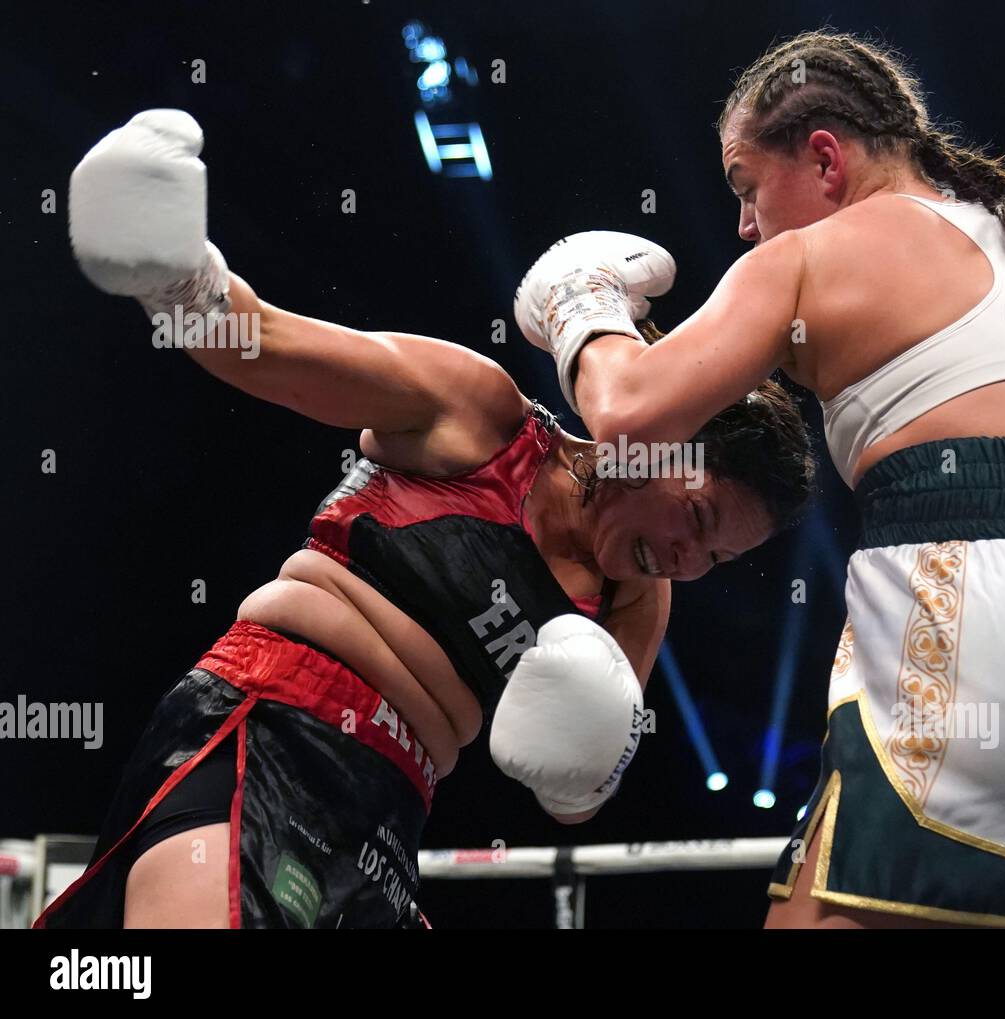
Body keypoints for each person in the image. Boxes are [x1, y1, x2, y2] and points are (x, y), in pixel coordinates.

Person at [513, 29, 1005, 929]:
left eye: (746, 186)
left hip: (980, 620)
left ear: (824, 158)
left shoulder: (807, 260)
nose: (744, 224)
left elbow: (627, 412)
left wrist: (582, 303)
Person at [34, 109, 815, 929]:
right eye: (698, 517)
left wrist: (581, 751)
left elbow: (577, 796)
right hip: (270, 723)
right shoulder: (479, 416)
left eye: (718, 559)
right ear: (664, 434)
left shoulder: (635, 599)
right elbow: (260, 344)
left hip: (390, 815)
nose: (689, 559)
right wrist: (174, 277)